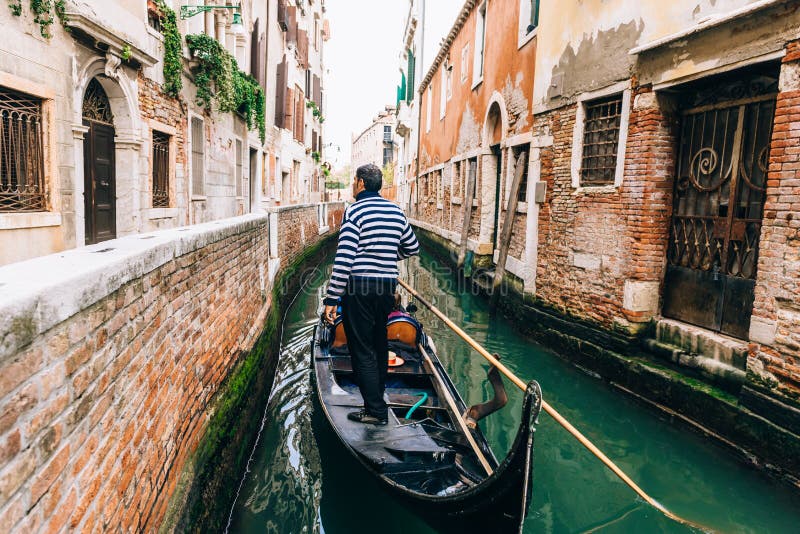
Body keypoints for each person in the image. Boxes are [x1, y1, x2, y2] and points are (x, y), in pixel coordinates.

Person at [323, 163, 420, 425]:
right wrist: (386, 256)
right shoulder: (396, 211)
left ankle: (376, 411)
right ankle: (378, 399)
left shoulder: (354, 211)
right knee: (378, 343)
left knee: (362, 349)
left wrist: (332, 298)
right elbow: (412, 247)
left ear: (361, 183)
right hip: (387, 287)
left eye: (354, 180)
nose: (353, 185)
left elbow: (344, 259)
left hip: (359, 287)